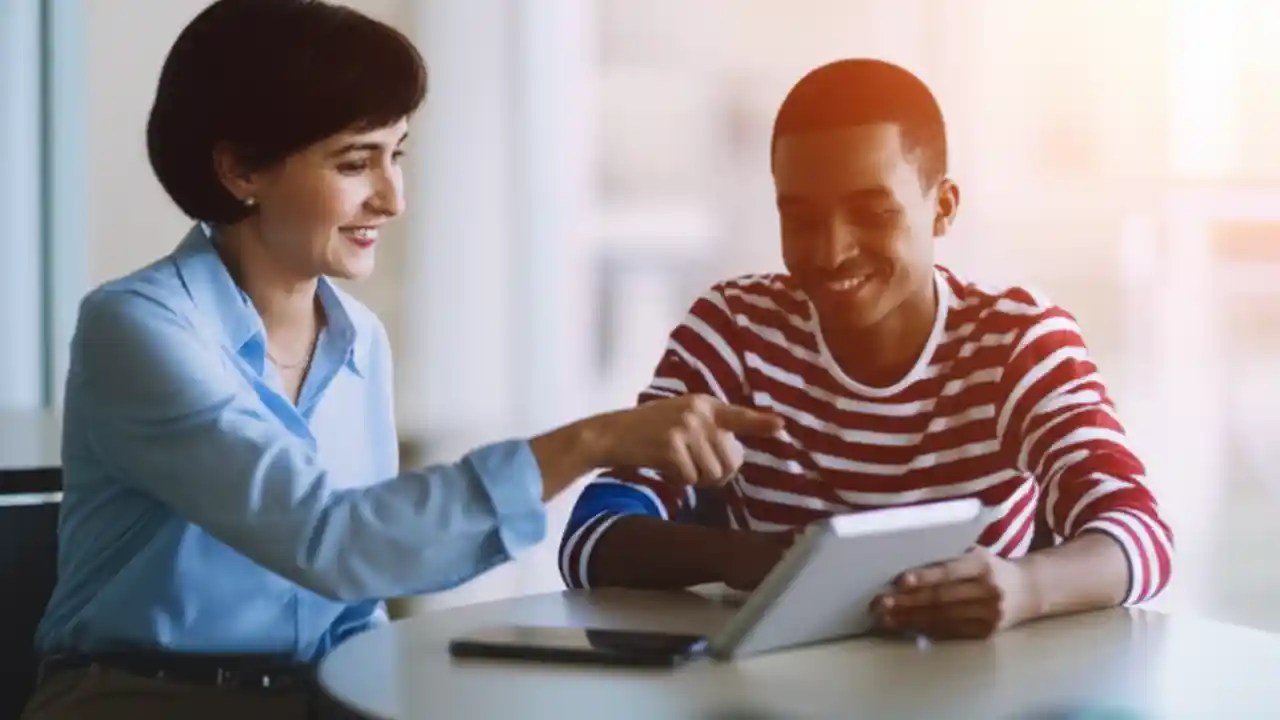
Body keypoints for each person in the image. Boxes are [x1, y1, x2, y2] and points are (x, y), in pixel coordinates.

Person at [21, 2, 782, 718]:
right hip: (141, 702)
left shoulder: (358, 341)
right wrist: (594, 441)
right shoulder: (138, 327)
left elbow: (362, 593)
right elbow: (335, 541)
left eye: (397, 156)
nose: (392, 198)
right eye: (356, 162)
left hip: (315, 698)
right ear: (241, 171)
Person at [560, 59, 1173, 640]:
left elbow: (1140, 535)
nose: (830, 252)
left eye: (873, 213)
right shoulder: (734, 332)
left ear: (943, 209)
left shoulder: (1017, 342)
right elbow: (590, 538)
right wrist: (765, 563)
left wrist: (1025, 587)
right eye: (800, 219)